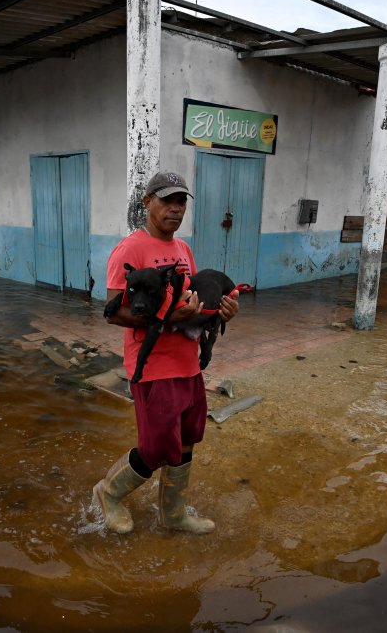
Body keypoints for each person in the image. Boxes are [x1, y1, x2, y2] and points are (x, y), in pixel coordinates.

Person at [93, 171, 240, 535]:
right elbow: (115, 312)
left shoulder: (183, 250)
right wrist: (169, 316)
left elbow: (193, 299)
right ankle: (108, 494)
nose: (175, 209)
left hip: (187, 361)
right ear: (147, 203)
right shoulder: (129, 250)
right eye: (167, 201)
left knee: (188, 437)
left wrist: (221, 311)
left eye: (181, 203)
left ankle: (173, 514)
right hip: (153, 364)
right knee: (157, 446)